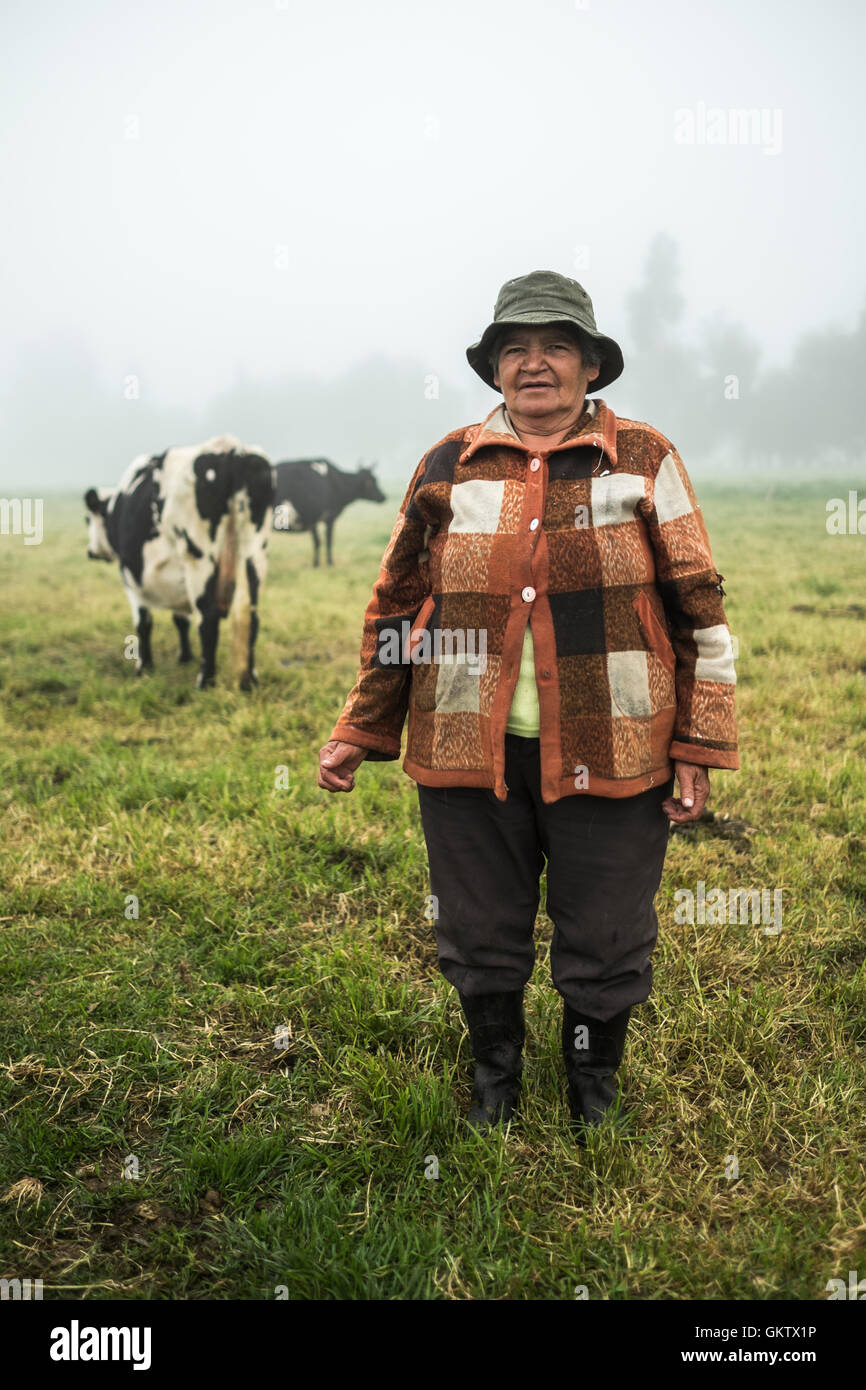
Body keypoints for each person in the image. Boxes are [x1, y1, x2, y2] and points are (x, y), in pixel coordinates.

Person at [318, 270, 739, 1141]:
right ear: (495, 367)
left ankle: (595, 1090)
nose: (535, 364)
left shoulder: (645, 459)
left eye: (556, 348)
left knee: (606, 928)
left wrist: (699, 741)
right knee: (479, 926)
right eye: (517, 348)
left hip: (616, 746)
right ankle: (494, 1084)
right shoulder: (446, 466)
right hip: (465, 745)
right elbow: (397, 605)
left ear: (590, 367)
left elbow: (700, 606)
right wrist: (364, 725)